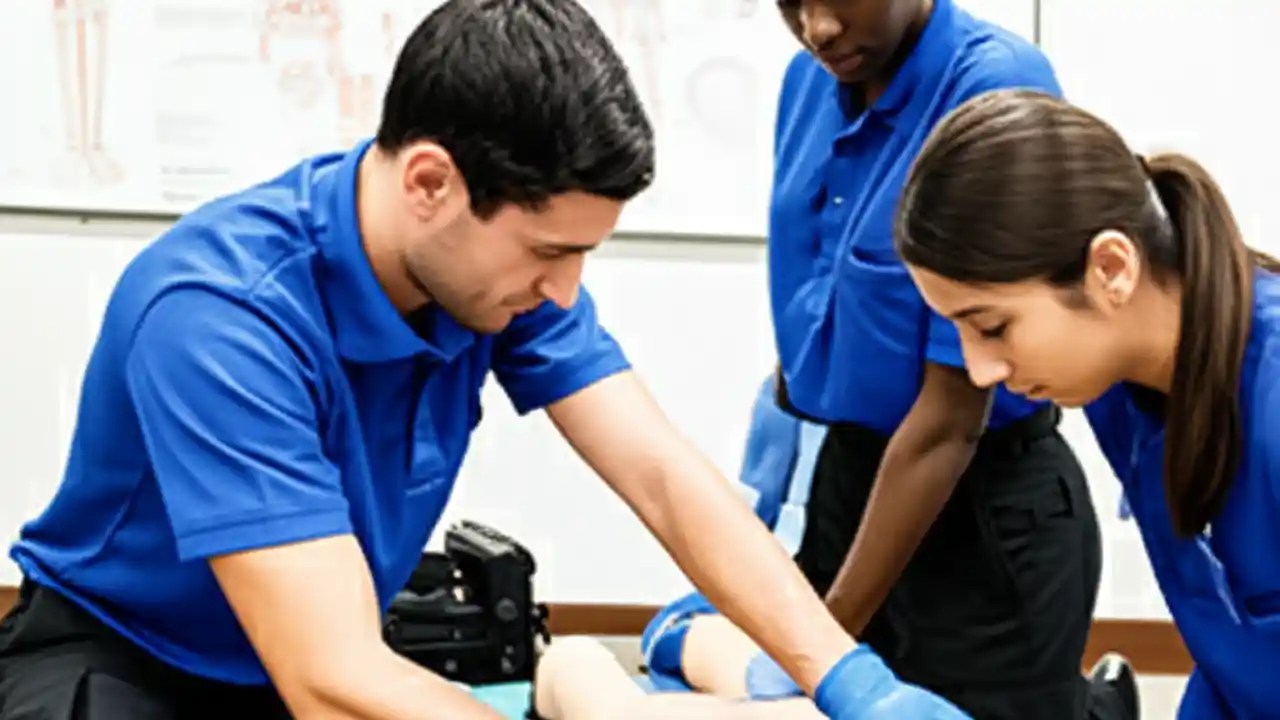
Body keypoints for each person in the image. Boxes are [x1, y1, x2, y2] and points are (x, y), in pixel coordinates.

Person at [0, 2, 952, 719]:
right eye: (548, 252)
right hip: (127, 667)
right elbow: (329, 677)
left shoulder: (489, 278)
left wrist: (850, 678)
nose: (566, 292)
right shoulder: (220, 317)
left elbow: (665, 480)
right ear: (430, 183)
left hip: (306, 665)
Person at [750, 1, 1135, 718]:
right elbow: (818, 290)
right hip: (848, 475)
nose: (817, 28)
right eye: (791, 1)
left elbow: (949, 421)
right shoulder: (808, 83)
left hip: (978, 510)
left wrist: (825, 649)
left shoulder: (991, 83)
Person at [894, 87, 1280, 719]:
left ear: (1111, 268)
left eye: (992, 326)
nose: (980, 371)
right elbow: (1229, 642)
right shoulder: (1121, 393)